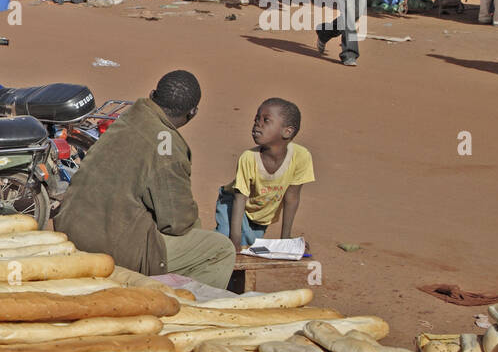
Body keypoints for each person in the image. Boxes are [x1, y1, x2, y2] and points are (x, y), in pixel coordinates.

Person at [54, 70, 237, 289]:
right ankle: (190, 311)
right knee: (220, 249)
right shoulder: (166, 143)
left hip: (70, 230)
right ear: (193, 112)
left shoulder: (129, 118)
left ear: (153, 94)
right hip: (107, 246)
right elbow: (177, 222)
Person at [215, 98, 314, 248]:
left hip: (262, 214)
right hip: (233, 202)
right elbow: (239, 199)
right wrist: (234, 242)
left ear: (287, 131)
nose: (257, 124)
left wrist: (285, 240)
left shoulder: (301, 157)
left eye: (266, 120)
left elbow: (292, 198)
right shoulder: (248, 158)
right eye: (256, 119)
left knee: (248, 247)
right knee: (227, 243)